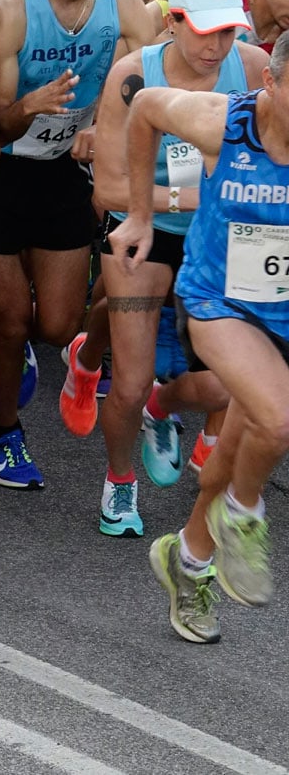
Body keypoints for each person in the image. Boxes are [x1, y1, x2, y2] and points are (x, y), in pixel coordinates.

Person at [0, 0, 150, 490]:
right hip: (2, 170)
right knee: (11, 321)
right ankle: (6, 433)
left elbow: (149, 84)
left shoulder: (123, 1)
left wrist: (101, 127)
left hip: (66, 171)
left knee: (59, 324)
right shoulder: (14, 4)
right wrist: (30, 107)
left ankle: (66, 359)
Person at [68, 0, 264, 539]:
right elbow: (107, 191)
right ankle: (119, 480)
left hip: (221, 241)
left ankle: (163, 408)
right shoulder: (133, 75)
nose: (219, 46)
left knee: (228, 384)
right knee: (129, 382)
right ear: (173, 21)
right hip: (140, 235)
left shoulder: (251, 69)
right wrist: (195, 195)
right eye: (207, 31)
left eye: (229, 31)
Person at [116, 42, 289, 645]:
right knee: (278, 422)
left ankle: (186, 563)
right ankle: (245, 517)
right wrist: (140, 214)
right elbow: (144, 110)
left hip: (285, 311)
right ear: (270, 81)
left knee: (239, 449)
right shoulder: (223, 121)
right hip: (220, 301)